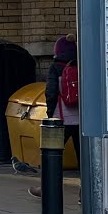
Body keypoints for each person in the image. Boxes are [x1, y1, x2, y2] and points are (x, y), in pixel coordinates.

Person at [31, 34, 78, 199]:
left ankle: (46, 189)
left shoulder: (56, 67)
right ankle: (86, 193)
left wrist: (50, 115)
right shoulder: (82, 65)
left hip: (60, 119)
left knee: (50, 156)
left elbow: (51, 93)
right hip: (81, 120)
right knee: (84, 159)